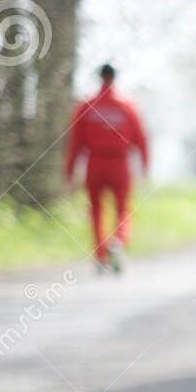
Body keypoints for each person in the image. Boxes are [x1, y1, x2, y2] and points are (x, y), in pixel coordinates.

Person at [64, 63, 149, 273]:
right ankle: (118, 241)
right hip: (120, 163)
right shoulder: (128, 107)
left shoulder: (86, 107)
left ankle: (101, 256)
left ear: (100, 78)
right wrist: (145, 166)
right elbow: (141, 140)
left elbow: (75, 143)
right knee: (123, 209)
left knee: (96, 210)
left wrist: (70, 171)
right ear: (114, 78)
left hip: (95, 163)